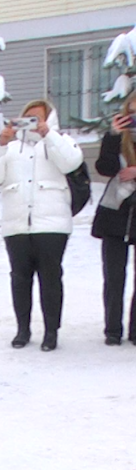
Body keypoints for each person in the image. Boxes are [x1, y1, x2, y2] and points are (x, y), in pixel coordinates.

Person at [0, 99, 83, 351]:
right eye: (28, 117)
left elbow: (72, 162)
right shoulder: (11, 148)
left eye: (38, 118)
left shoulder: (61, 141)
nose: (33, 123)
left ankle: (51, 332)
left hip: (52, 224)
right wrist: (0, 144)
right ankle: (23, 329)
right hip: (17, 225)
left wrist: (49, 135)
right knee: (19, 279)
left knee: (50, 279)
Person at [92, 90, 136, 346]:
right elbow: (104, 168)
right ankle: (112, 329)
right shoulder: (117, 139)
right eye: (130, 113)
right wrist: (112, 136)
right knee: (113, 275)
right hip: (115, 212)